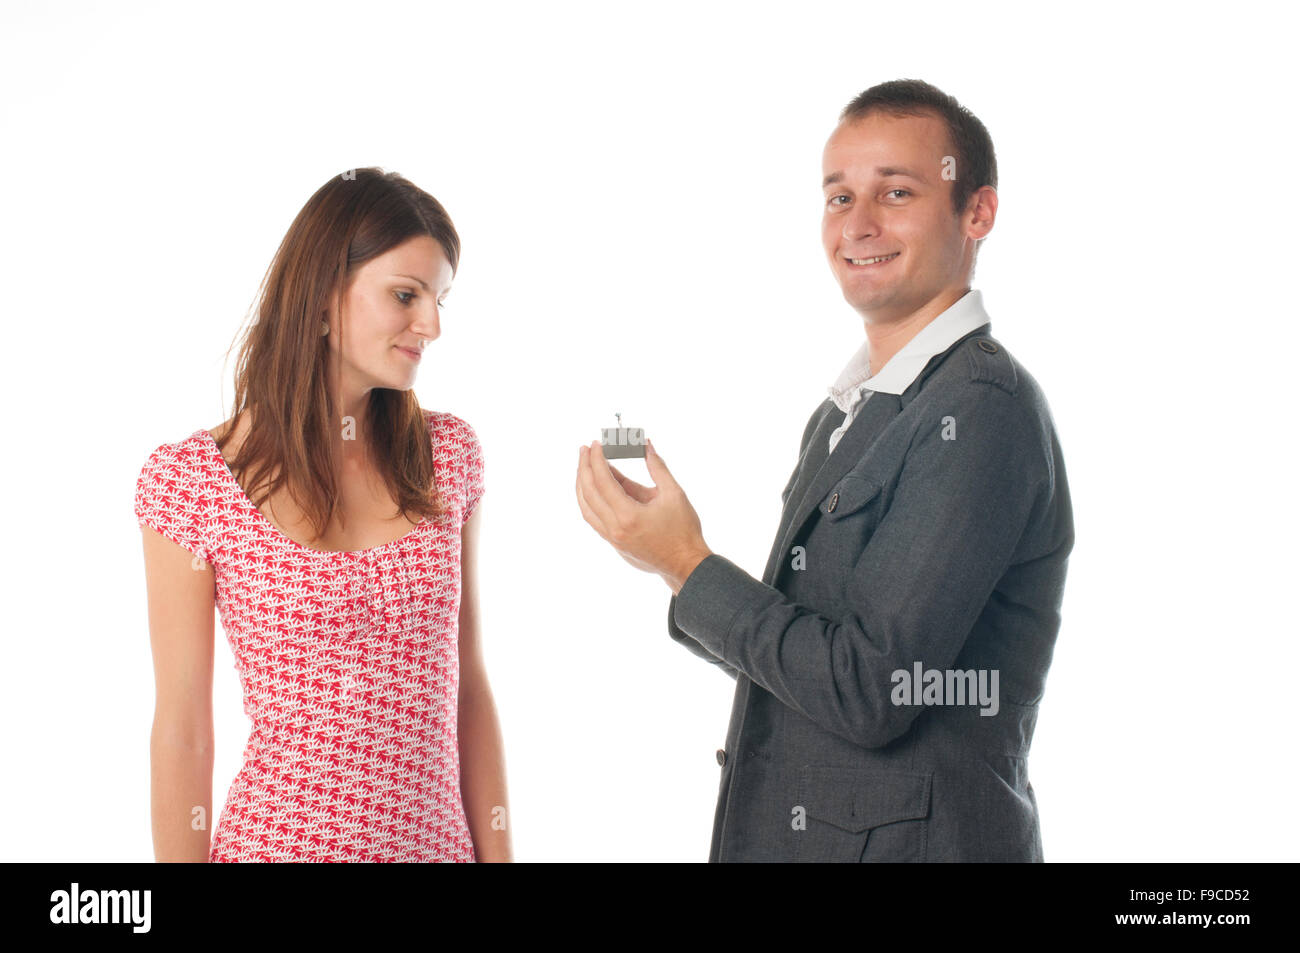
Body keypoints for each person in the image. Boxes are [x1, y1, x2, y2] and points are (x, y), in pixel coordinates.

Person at [575, 79, 1073, 862]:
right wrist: (672, 565)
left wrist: (686, 561)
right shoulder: (855, 409)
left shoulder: (981, 407)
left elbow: (871, 686)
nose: (859, 224)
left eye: (896, 192)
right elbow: (812, 649)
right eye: (838, 197)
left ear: (977, 212)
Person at [135, 168, 510, 862]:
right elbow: (184, 730)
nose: (430, 325)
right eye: (406, 295)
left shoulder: (449, 458)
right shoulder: (192, 485)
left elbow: (469, 686)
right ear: (321, 300)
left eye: (439, 299)